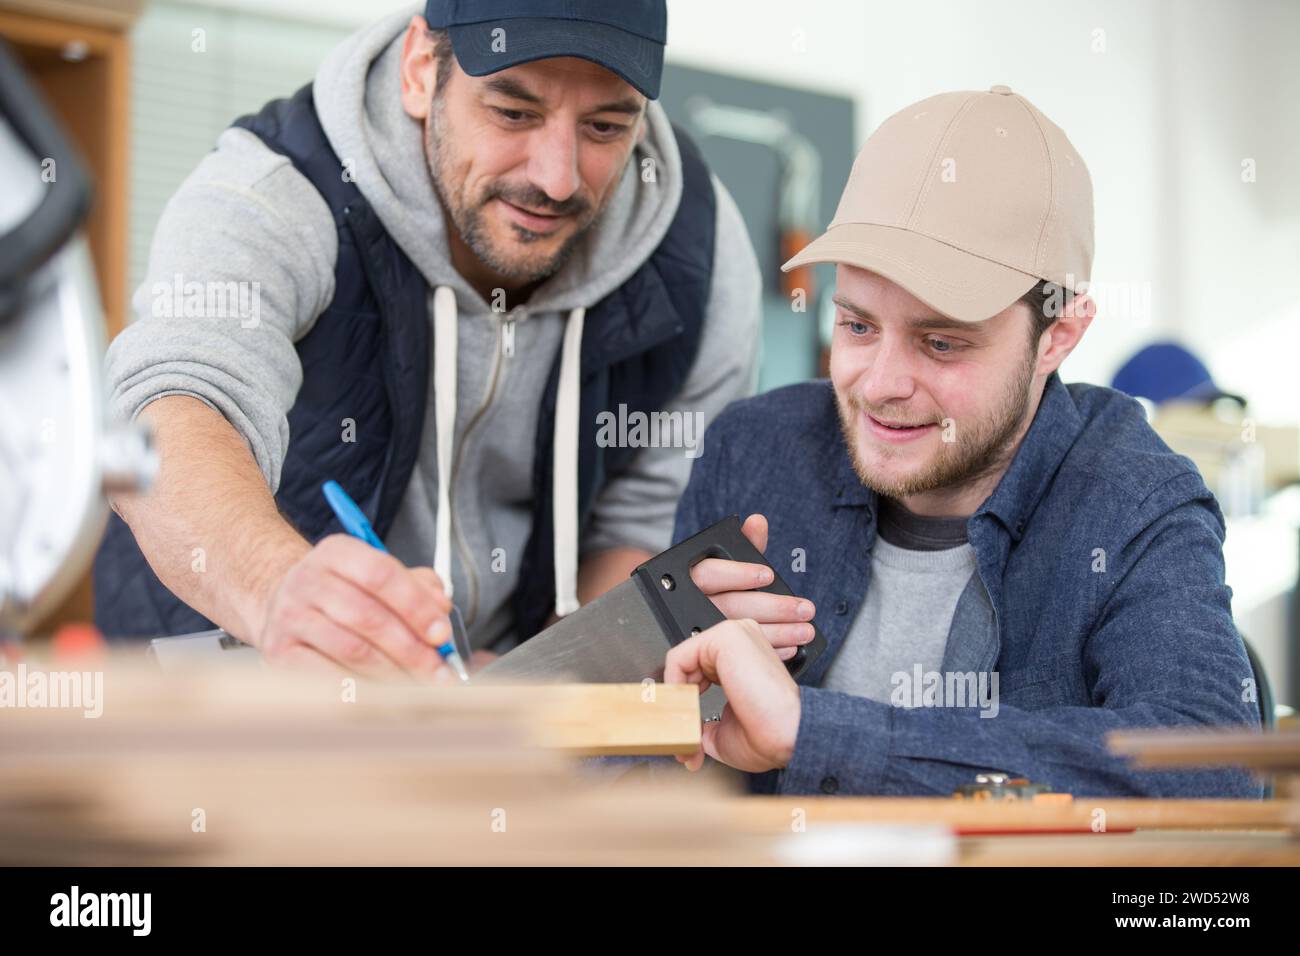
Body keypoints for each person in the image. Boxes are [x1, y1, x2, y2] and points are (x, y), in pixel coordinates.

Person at [96, 1, 761, 680]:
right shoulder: (275, 192)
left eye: (605, 126)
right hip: (216, 673)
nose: (556, 178)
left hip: (480, 692)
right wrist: (278, 591)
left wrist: (549, 675)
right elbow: (151, 426)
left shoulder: (697, 252)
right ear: (421, 69)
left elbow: (637, 524)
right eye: (513, 112)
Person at [666, 86, 1262, 797]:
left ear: (1059, 336)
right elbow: (614, 769)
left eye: (941, 342)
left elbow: (1208, 771)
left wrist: (811, 730)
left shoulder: (1136, 504)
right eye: (857, 326)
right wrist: (663, 679)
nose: (880, 384)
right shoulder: (750, 451)